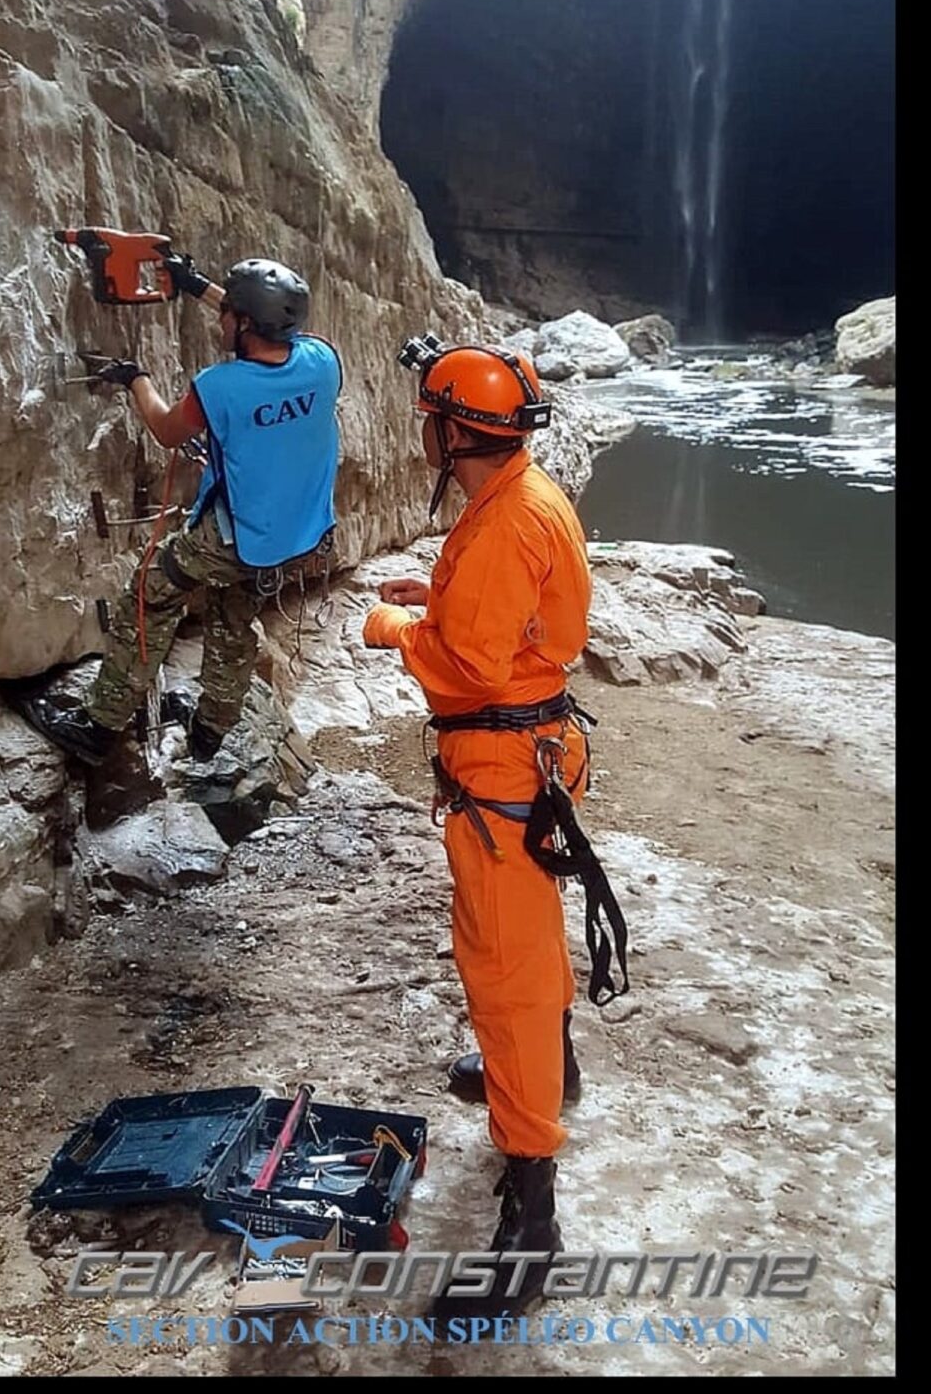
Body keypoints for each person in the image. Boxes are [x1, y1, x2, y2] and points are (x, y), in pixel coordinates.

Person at [362, 337, 597, 1325]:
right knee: (526, 939)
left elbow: (472, 667)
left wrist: (399, 630)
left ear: (455, 431)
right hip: (523, 760)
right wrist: (443, 596)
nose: (427, 430)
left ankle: (530, 1222)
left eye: (431, 417)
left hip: (502, 766)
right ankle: (552, 1064)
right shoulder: (519, 497)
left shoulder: (504, 527)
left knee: (502, 964)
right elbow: (509, 621)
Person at [27, 253, 342, 766]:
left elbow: (168, 429)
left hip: (236, 537)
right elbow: (266, 327)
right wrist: (200, 287)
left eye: (227, 314)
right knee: (234, 614)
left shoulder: (220, 387)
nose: (220, 321)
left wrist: (137, 380)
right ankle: (210, 731)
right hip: (297, 538)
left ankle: (100, 723)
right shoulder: (322, 362)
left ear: (242, 323)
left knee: (152, 589)